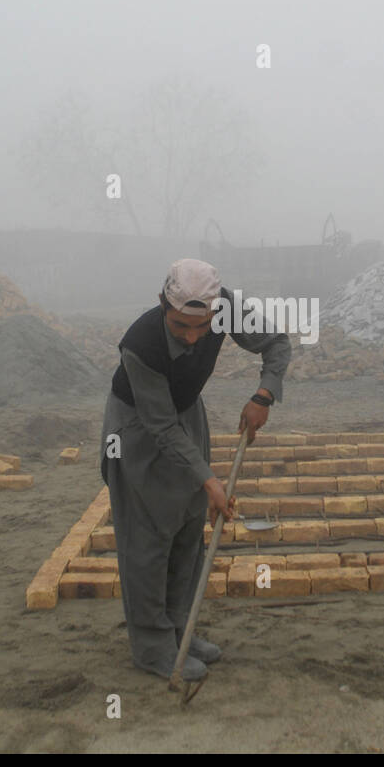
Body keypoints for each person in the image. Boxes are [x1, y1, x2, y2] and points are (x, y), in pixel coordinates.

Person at [99, 258, 291, 681]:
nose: (191, 337)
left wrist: (263, 397)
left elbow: (277, 343)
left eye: (201, 327)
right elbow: (161, 427)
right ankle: (152, 646)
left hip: (187, 414)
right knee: (149, 536)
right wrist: (209, 480)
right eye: (180, 325)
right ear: (163, 306)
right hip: (139, 426)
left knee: (188, 528)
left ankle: (179, 630)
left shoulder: (225, 307)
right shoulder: (141, 344)